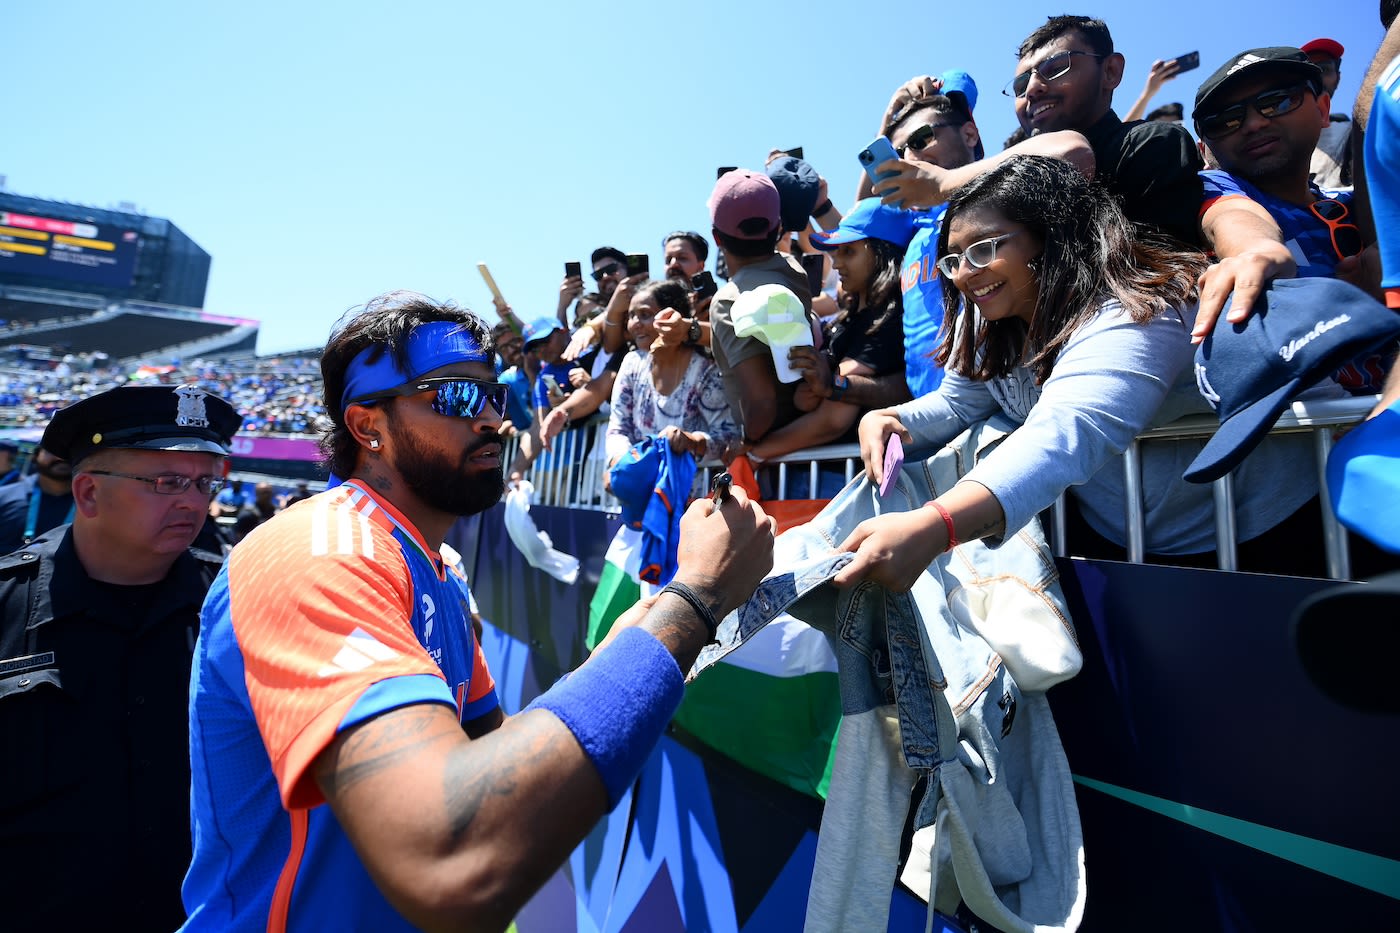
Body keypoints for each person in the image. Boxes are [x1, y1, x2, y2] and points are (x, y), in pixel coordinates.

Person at [181, 291, 774, 931]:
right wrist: (692, 603)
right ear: (367, 427)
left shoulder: (439, 569)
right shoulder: (319, 552)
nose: (492, 419)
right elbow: (452, 852)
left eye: (493, 395)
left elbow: (499, 770)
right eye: (458, 396)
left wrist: (619, 653)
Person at [832, 156, 1330, 589]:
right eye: (955, 260)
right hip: (1134, 545)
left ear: (1052, 236)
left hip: (1260, 537)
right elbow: (961, 403)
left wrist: (936, 525)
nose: (965, 273)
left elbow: (1065, 432)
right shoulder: (989, 316)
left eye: (985, 249)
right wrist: (892, 417)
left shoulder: (1140, 309)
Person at [0, 384, 239, 931]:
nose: (193, 501)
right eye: (167, 482)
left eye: (205, 482)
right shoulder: (6, 608)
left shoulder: (237, 609)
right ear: (87, 493)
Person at [1192, 46, 1386, 393]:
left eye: (1278, 102)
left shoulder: (1360, 205)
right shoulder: (1210, 187)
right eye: (1225, 121)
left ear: (1323, 109)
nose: (1254, 123)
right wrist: (1256, 249)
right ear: (1205, 150)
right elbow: (1231, 214)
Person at [587, 278, 740, 647]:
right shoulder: (631, 363)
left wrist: (693, 442)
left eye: (647, 315)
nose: (637, 324)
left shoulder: (704, 371)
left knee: (678, 627)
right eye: (632, 316)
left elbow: (732, 436)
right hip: (640, 516)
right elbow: (619, 426)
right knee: (616, 626)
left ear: (673, 320)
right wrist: (618, 462)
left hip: (694, 517)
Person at [743, 198, 916, 466]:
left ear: (884, 254)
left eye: (849, 252)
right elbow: (813, 401)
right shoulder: (853, 319)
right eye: (836, 253)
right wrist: (811, 390)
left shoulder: (888, 319)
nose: (836, 265)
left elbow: (832, 420)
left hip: (842, 475)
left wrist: (756, 452)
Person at [705, 169, 817, 447]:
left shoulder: (729, 300)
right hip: (813, 438)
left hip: (777, 459)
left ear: (716, 238)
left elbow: (762, 403)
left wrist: (747, 441)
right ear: (778, 228)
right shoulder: (794, 269)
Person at [0, 446, 74, 553]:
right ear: (35, 457)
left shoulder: (98, 505)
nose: (61, 457)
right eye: (53, 450)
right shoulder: (3, 496)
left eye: (69, 452)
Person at [1301, 37, 1352, 188]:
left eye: (1325, 70)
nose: (1317, 78)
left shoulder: (1359, 132)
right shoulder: (1272, 134)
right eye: (1310, 70)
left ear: (1337, 79)